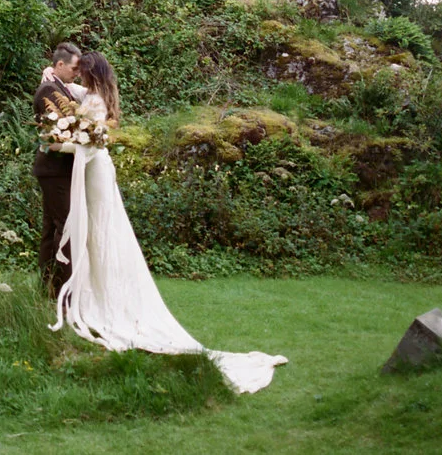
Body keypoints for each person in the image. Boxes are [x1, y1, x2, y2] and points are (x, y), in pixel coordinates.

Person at [48, 51, 288, 395]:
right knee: (96, 234)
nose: (79, 76)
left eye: (82, 71)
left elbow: (88, 134)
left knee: (103, 231)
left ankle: (106, 299)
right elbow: (67, 92)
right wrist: (50, 77)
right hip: (91, 168)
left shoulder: (97, 101)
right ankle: (94, 290)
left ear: (91, 73)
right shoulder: (93, 95)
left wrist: (63, 145)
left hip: (96, 168)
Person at [31, 41, 81, 296]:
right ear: (59, 65)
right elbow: (60, 131)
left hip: (56, 169)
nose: (77, 73)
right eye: (74, 68)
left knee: (52, 228)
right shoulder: (49, 90)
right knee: (65, 226)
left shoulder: (60, 86)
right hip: (54, 169)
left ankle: (48, 286)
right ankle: (63, 290)